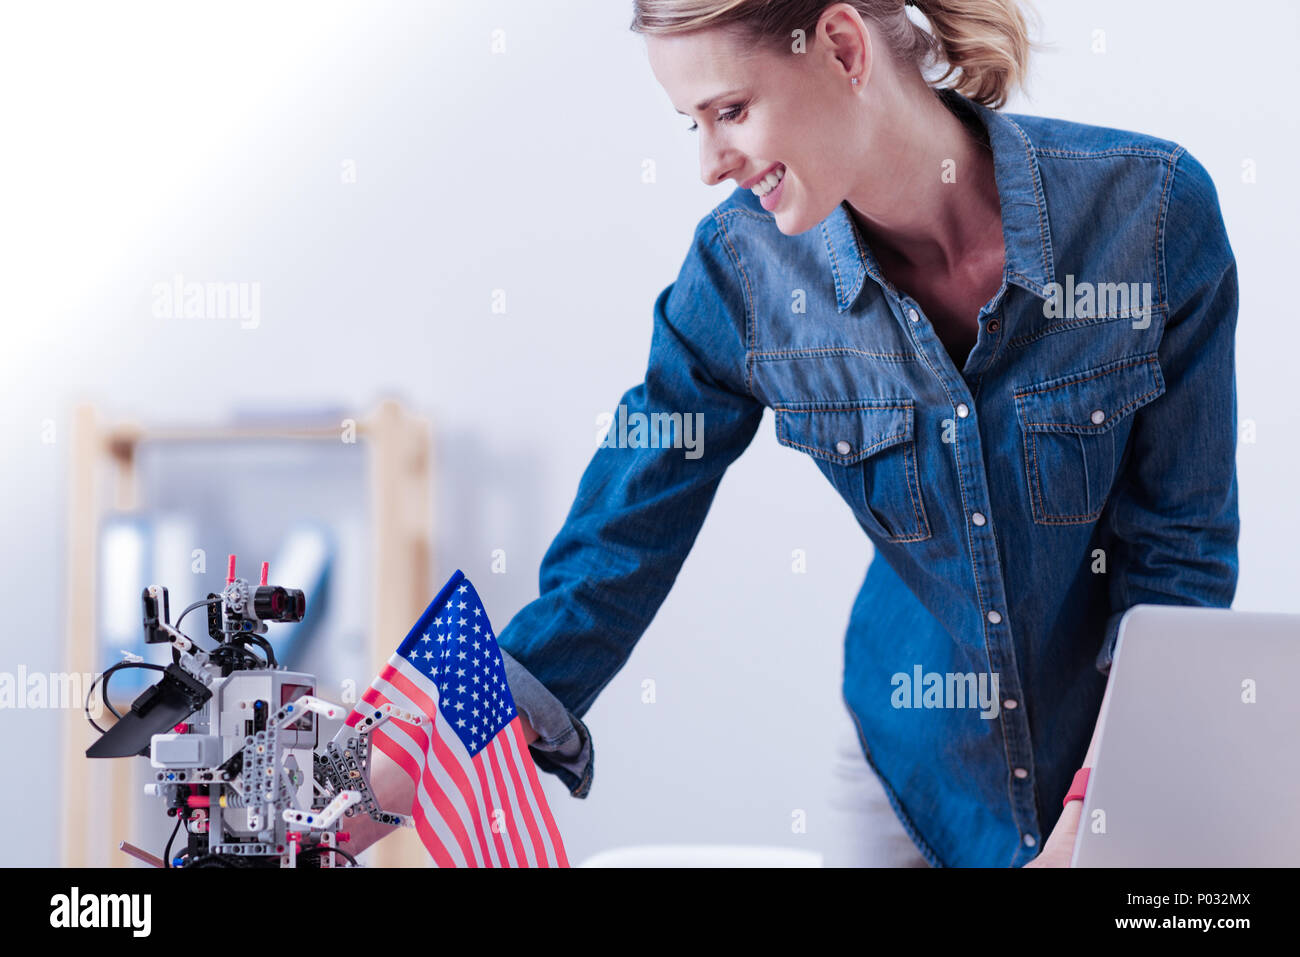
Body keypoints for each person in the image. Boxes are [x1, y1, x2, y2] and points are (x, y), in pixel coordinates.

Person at [354, 0, 1240, 866]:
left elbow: (1179, 557)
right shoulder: (741, 272)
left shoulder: (1149, 215)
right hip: (914, 789)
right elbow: (614, 548)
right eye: (691, 124)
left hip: (1112, 769)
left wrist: (1101, 808)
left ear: (845, 49)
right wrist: (398, 770)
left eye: (730, 111)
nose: (709, 162)